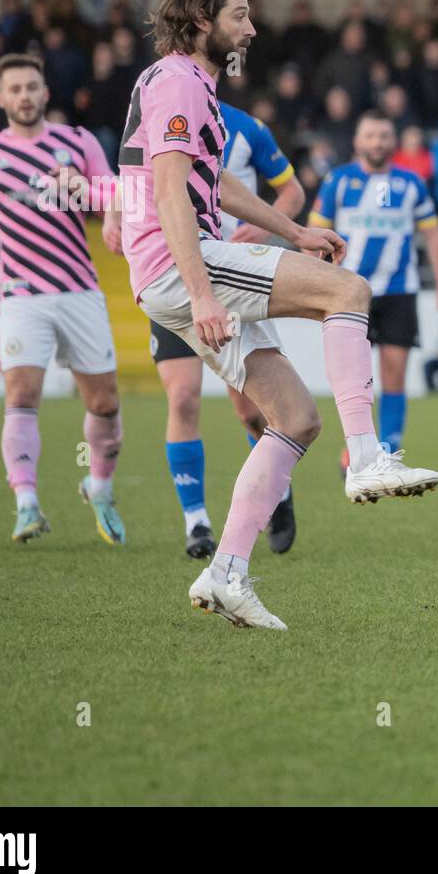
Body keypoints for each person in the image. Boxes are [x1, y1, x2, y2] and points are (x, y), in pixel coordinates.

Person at [121, 0, 438, 630]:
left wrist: (293, 230)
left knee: (294, 418)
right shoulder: (180, 81)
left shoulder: (190, 84)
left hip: (176, 268)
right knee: (349, 290)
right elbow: (169, 193)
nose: (252, 28)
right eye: (240, 15)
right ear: (204, 19)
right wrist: (205, 293)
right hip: (180, 266)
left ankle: (227, 573)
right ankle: (367, 456)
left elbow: (212, 185)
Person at [0, 53, 127, 545]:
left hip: (79, 290)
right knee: (21, 397)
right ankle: (26, 504)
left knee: (105, 404)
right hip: (21, 295)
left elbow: (116, 191)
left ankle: (101, 487)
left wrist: (89, 192)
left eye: (32, 86)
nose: (24, 96)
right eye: (15, 89)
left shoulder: (78, 141)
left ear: (46, 92)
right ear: (0, 98)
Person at [147, 101, 306, 559]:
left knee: (251, 411)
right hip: (171, 274)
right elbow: (136, 181)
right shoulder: (156, 115)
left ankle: (277, 489)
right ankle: (196, 523)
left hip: (229, 279)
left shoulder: (247, 128)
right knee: (182, 398)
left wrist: (262, 229)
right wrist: (117, 214)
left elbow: (291, 191)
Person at [308, 109, 438, 470]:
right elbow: (312, 236)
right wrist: (314, 286)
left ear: (393, 142)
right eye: (371, 135)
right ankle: (357, 449)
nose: (378, 142)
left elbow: (434, 236)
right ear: (358, 141)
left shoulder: (410, 183)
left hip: (399, 290)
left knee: (394, 371)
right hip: (349, 292)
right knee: (355, 377)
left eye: (384, 136)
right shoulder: (339, 181)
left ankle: (388, 452)